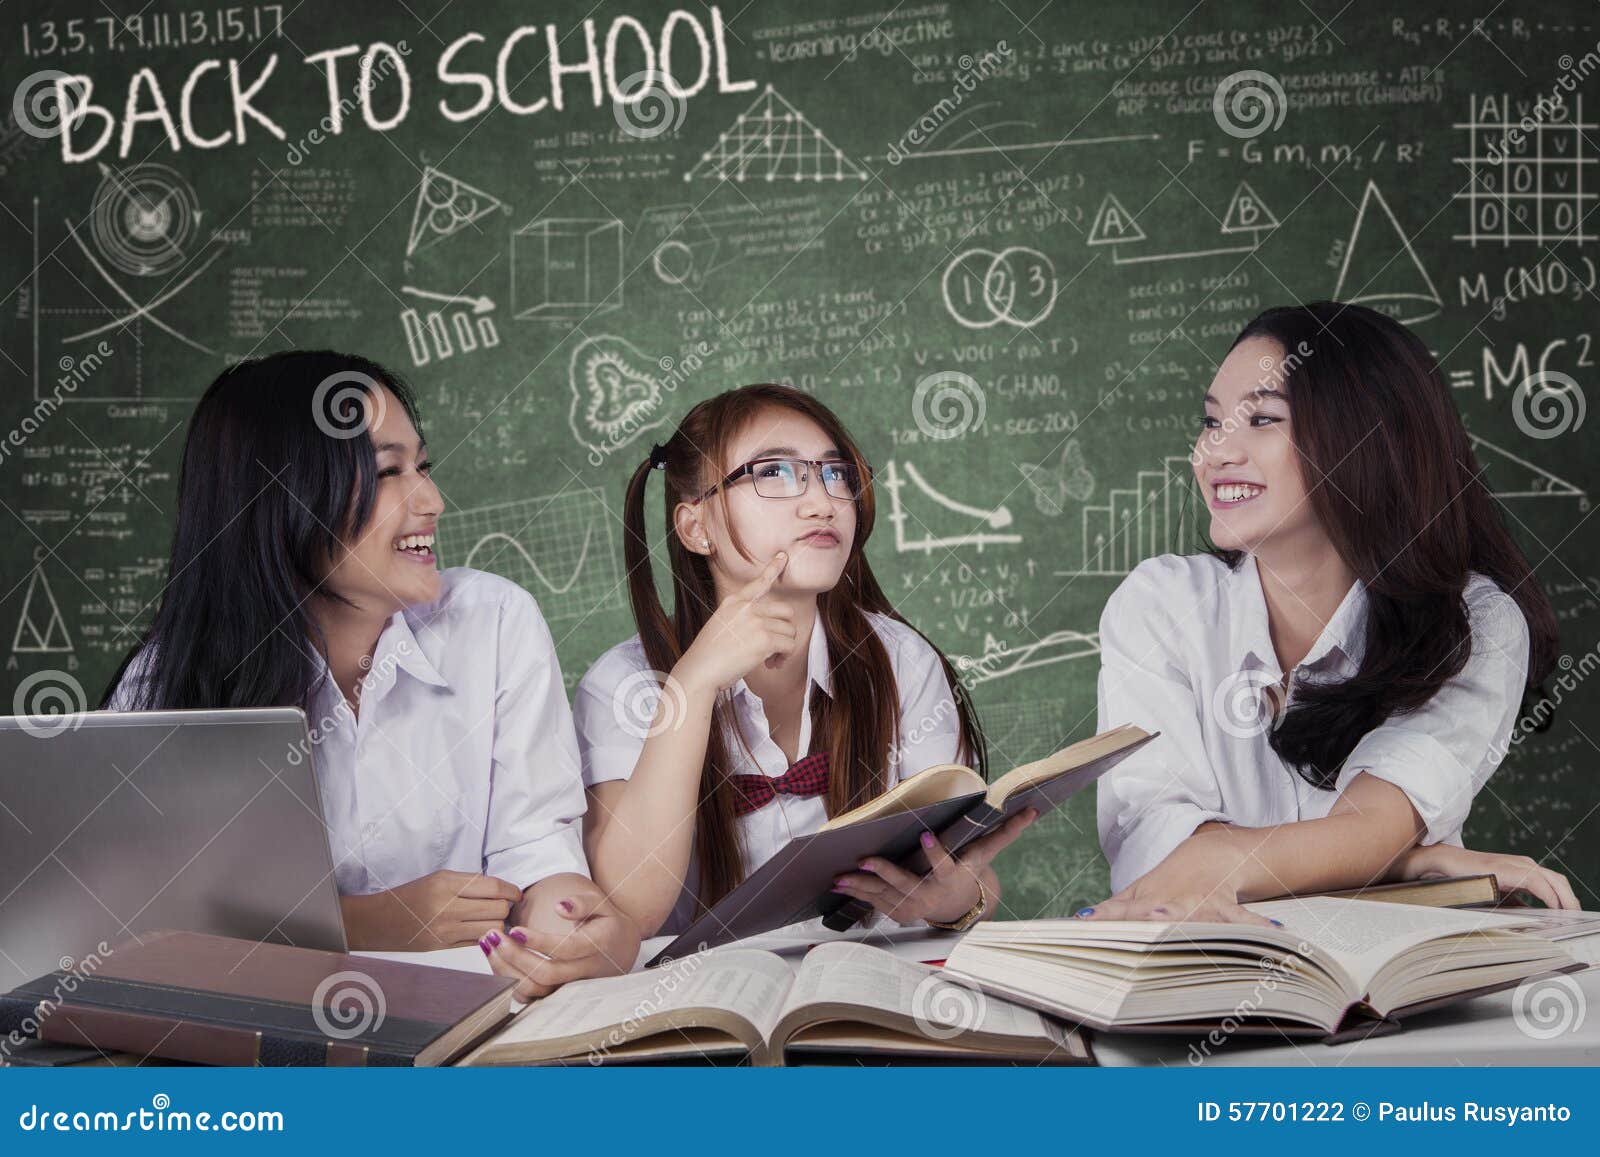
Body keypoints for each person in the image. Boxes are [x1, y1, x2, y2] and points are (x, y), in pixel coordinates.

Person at [103, 350, 640, 997]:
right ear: (280, 498)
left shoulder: (494, 622)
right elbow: (145, 927)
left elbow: (536, 850)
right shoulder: (164, 687)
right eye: (389, 471)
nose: (432, 500)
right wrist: (366, 922)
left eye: (423, 466)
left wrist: (579, 918)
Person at [1088, 302, 1577, 925]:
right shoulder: (1161, 605)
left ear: (1367, 441)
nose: (1213, 453)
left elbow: (1369, 827)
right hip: (1197, 984)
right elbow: (1154, 852)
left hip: (1391, 986)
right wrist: (1400, 865)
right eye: (1211, 422)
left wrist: (1374, 849)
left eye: (1262, 418)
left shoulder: (1471, 625)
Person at [575, 383, 1038, 938]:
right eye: (773, 472)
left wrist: (953, 899)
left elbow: (971, 883)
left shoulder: (899, 661)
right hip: (692, 1004)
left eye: (835, 474)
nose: (823, 501)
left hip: (867, 988)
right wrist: (693, 686)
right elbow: (630, 909)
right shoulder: (625, 685)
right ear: (696, 528)